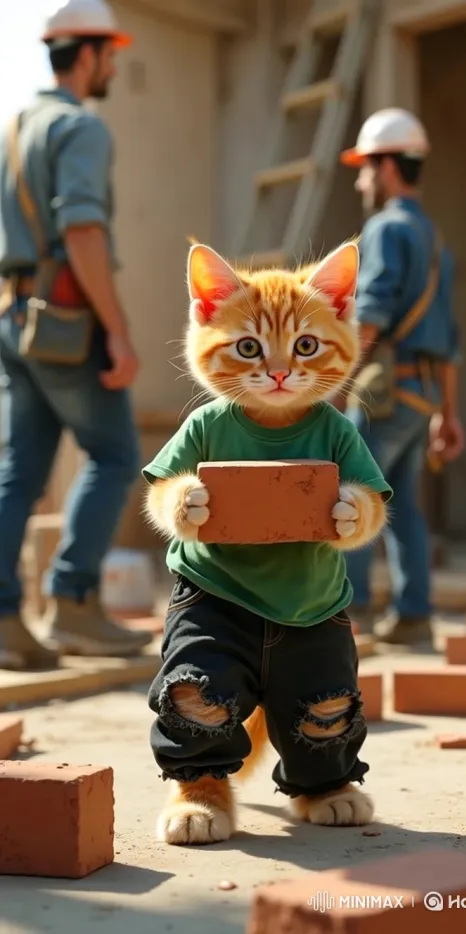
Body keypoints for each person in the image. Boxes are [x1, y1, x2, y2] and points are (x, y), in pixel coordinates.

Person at [0, 0, 154, 669]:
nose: (113, 67)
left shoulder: (17, 127)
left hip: (14, 316)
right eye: (110, 55)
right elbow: (82, 232)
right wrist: (117, 333)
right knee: (116, 455)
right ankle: (74, 604)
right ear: (87, 54)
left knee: (21, 471)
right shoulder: (79, 128)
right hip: (66, 325)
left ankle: (6, 619)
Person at [337, 108, 465, 647]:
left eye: (367, 168)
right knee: (405, 505)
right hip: (423, 396)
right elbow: (451, 339)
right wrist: (448, 414)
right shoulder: (434, 238)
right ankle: (414, 615)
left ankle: (352, 614)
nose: (363, 179)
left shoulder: (386, 226)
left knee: (352, 494)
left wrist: (335, 378)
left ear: (388, 167)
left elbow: (372, 311)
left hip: (385, 394)